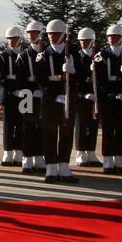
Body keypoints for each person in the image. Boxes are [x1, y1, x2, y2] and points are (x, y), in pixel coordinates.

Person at [34, 19, 79, 184]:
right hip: (51, 101)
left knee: (66, 134)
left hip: (68, 98)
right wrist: (55, 95)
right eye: (50, 34)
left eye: (56, 34)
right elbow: (41, 80)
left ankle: (64, 166)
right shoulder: (43, 55)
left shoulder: (72, 53)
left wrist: (73, 72)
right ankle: (51, 168)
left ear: (63, 35)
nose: (52, 37)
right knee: (50, 134)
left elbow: (81, 76)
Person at [93, 24, 122, 175]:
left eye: (115, 36)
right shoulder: (102, 55)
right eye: (110, 36)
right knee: (108, 129)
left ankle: (119, 157)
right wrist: (112, 94)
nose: (112, 39)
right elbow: (100, 80)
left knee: (121, 128)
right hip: (107, 98)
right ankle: (108, 159)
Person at [0, 25, 25, 167]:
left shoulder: (25, 55)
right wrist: (14, 89)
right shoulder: (2, 56)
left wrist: (21, 89)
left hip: (24, 96)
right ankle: (7, 152)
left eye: (14, 38)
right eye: (9, 38)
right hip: (8, 95)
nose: (11, 41)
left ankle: (19, 152)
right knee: (8, 125)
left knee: (21, 124)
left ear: (20, 39)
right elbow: (0, 78)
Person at [18, 21, 46, 175]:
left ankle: (39, 156)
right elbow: (20, 78)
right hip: (27, 95)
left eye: (34, 33)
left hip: (42, 95)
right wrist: (29, 90)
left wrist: (43, 90)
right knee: (28, 127)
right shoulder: (23, 55)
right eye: (29, 33)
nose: (31, 35)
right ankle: (27, 158)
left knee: (41, 125)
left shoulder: (46, 53)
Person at [72, 27, 101, 167]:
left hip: (95, 96)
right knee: (81, 125)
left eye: (87, 40)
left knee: (93, 125)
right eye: (82, 40)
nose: (84, 43)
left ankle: (91, 152)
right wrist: (83, 94)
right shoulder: (77, 56)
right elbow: (75, 79)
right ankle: (80, 153)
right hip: (81, 96)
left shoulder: (97, 56)